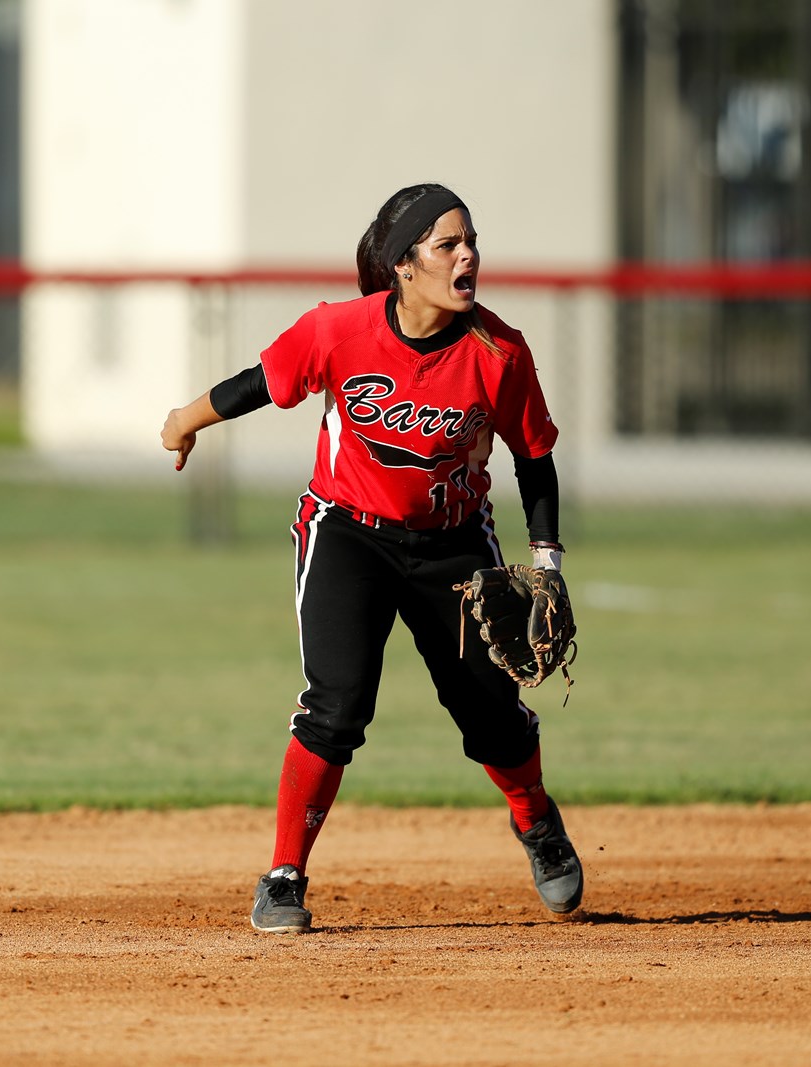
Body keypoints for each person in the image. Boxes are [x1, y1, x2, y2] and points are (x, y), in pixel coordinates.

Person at [159, 182, 583, 934]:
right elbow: (268, 380)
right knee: (337, 703)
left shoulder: (499, 350)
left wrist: (545, 562)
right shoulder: (340, 330)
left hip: (453, 541)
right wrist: (186, 419)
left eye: (471, 240)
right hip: (346, 530)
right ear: (403, 264)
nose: (468, 255)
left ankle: (536, 818)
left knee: (490, 712)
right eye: (447, 243)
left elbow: (535, 457)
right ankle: (284, 874)